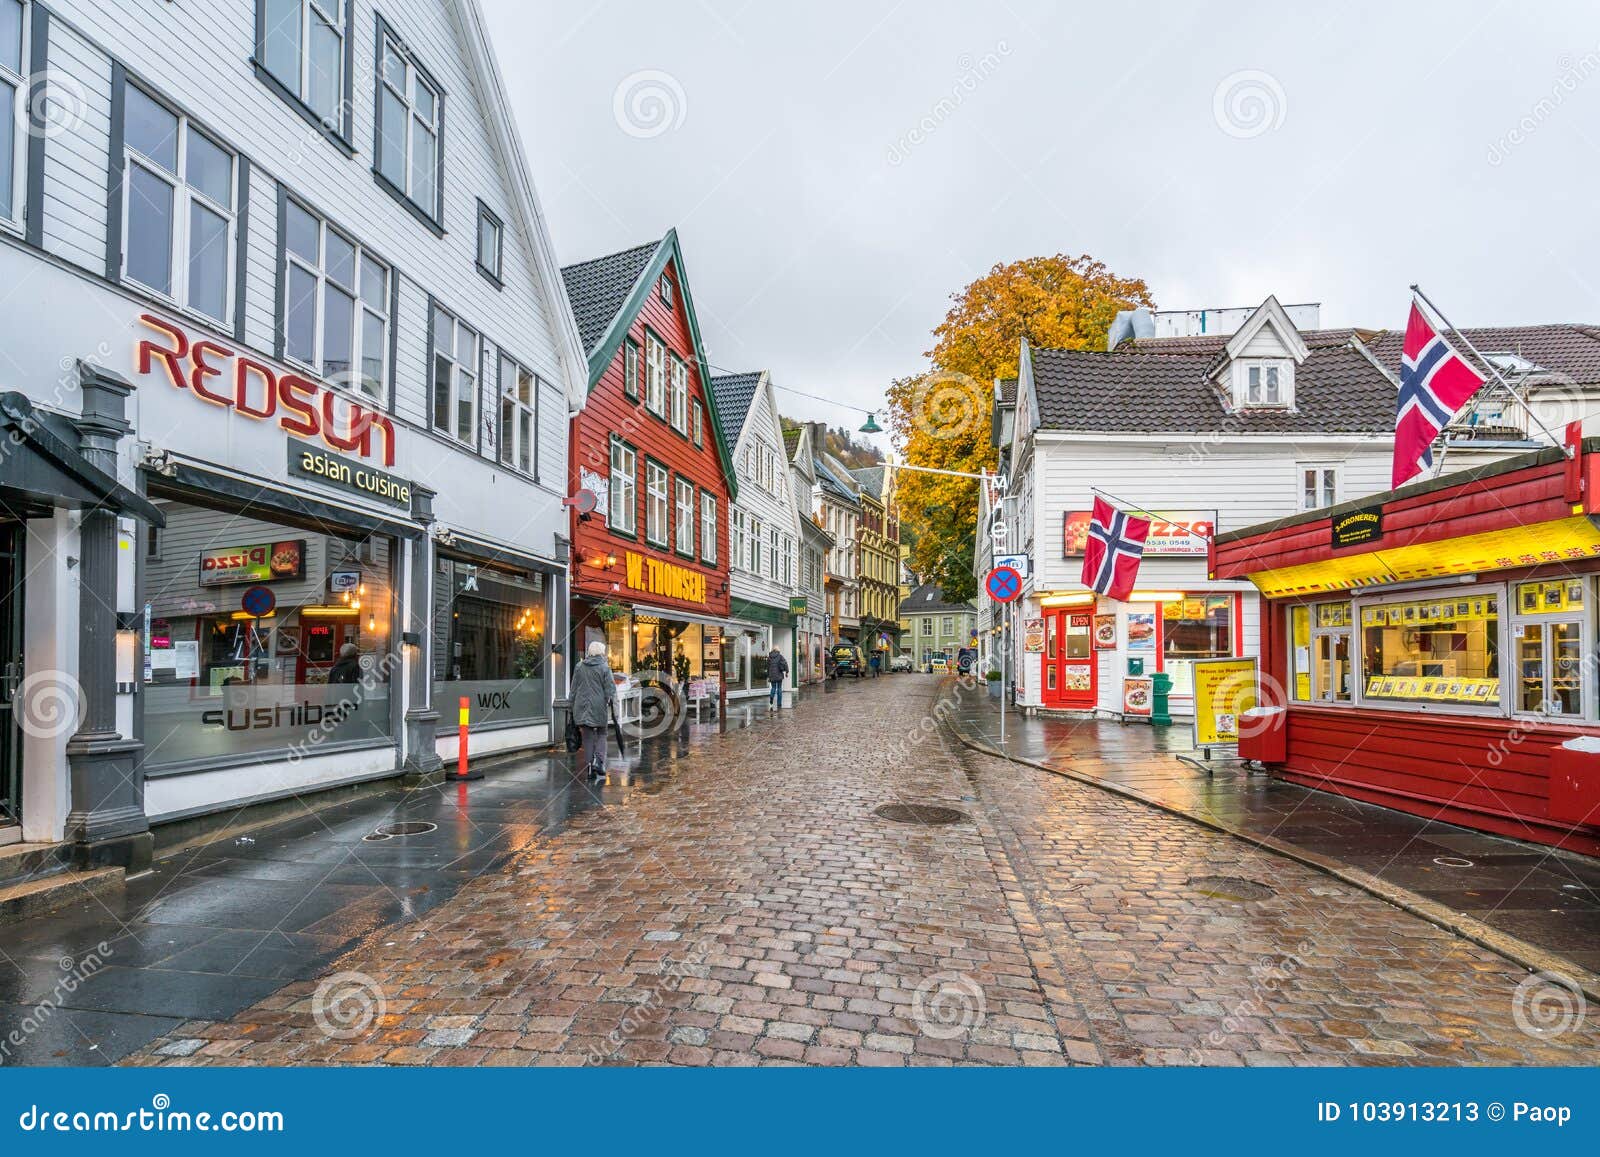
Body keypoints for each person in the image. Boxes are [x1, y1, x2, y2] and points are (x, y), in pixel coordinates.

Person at [571, 640, 617, 778]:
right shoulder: (604, 667)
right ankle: (599, 761)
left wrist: (570, 704)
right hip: (598, 705)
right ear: (601, 652)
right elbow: (610, 689)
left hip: (582, 706)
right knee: (602, 733)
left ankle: (590, 767)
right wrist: (610, 702)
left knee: (588, 736)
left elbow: (573, 688)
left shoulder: (579, 666)